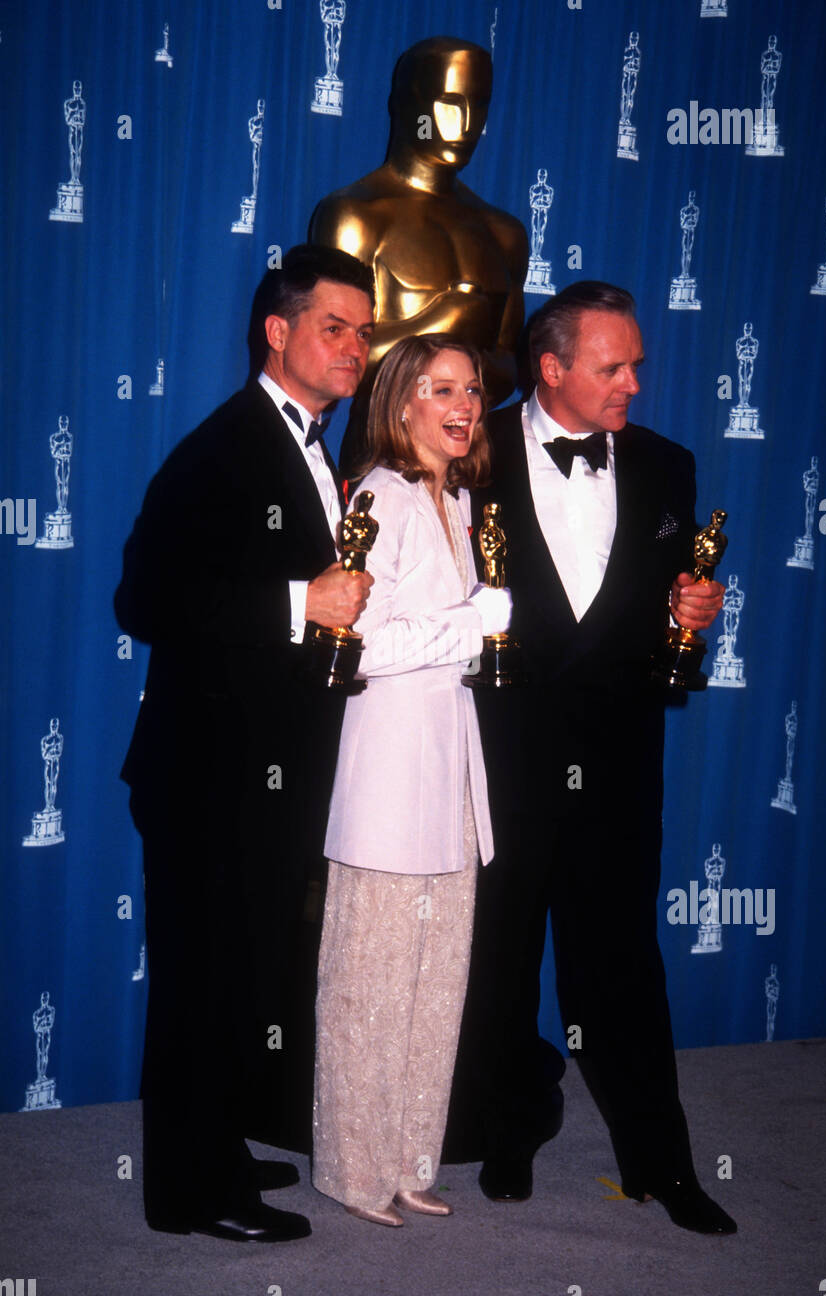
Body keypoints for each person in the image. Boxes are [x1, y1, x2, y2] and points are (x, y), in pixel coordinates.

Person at [446, 281, 737, 1235]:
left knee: (621, 965)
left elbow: (663, 621)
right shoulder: (468, 451)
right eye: (614, 367)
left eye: (637, 364)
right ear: (552, 368)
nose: (633, 384)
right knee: (498, 958)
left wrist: (687, 618)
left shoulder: (667, 468)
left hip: (617, 763)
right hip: (500, 757)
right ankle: (509, 1131)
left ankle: (665, 1163)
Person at [114, 244, 375, 1243]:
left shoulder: (307, 443)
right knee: (201, 981)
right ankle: (186, 1191)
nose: (355, 348)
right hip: (208, 775)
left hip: (266, 774)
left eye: (362, 330)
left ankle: (213, 1144)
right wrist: (296, 601)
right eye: (333, 327)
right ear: (280, 331)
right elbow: (144, 598)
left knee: (241, 975)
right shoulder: (223, 447)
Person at [312, 334, 510, 1226]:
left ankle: (409, 1162)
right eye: (442, 389)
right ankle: (354, 1173)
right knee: (372, 989)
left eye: (472, 388)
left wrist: (472, 625)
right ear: (400, 404)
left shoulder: (456, 501)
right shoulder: (381, 498)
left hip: (452, 779)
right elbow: (363, 646)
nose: (464, 403)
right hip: (390, 777)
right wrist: (471, 625)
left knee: (436, 991)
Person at [310, 36, 528, 466]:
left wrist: (453, 375)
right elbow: (336, 360)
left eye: (478, 104)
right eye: (448, 102)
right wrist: (442, 321)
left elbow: (509, 367)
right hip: (382, 459)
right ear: (405, 103)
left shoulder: (503, 232)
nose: (464, 124)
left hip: (473, 463)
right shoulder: (357, 216)